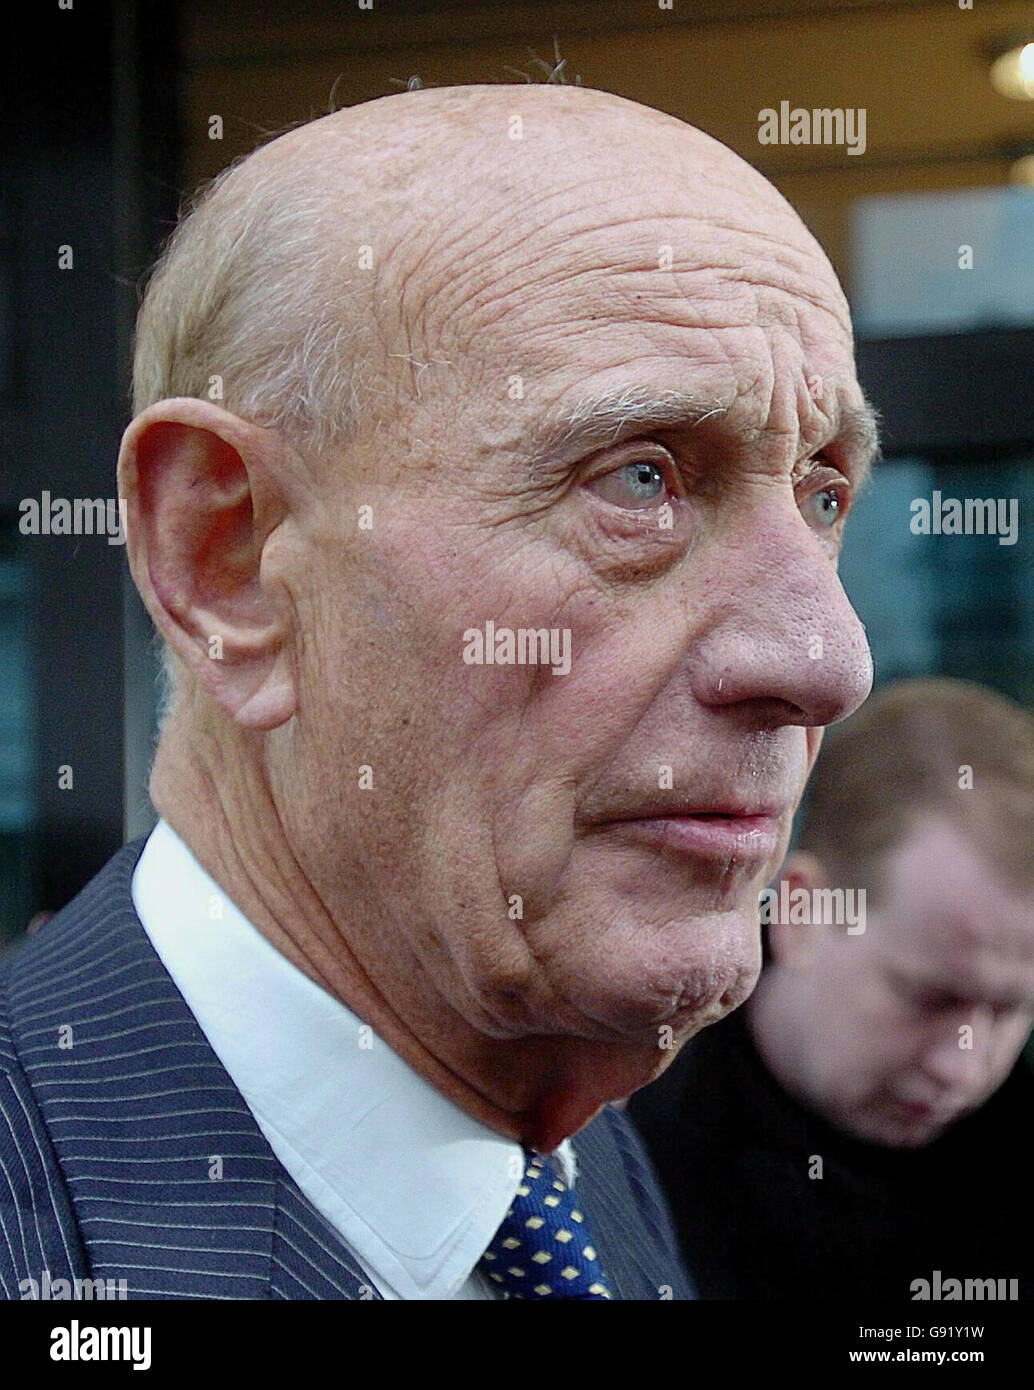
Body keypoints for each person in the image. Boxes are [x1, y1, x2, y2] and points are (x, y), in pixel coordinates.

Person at [0, 79, 876, 1301]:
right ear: (228, 559)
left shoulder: (562, 1153)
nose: (826, 661)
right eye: (639, 480)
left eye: (822, 493)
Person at [629, 677, 1034, 1300]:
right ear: (802, 911)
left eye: (1012, 1010)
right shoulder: (615, 1131)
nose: (964, 1066)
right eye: (928, 997)